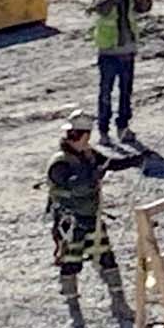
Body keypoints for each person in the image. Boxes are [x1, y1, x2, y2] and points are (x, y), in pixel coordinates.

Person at [89, 0, 152, 144]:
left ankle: (123, 127)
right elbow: (102, 8)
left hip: (127, 50)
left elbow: (145, 7)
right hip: (108, 51)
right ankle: (103, 130)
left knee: (126, 92)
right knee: (105, 93)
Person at [46, 119, 113, 284]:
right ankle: (71, 300)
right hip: (70, 222)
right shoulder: (60, 163)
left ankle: (117, 298)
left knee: (106, 259)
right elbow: (74, 186)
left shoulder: (88, 155)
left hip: (91, 217)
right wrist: (92, 177)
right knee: (71, 263)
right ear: (83, 136)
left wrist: (138, 159)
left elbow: (108, 163)